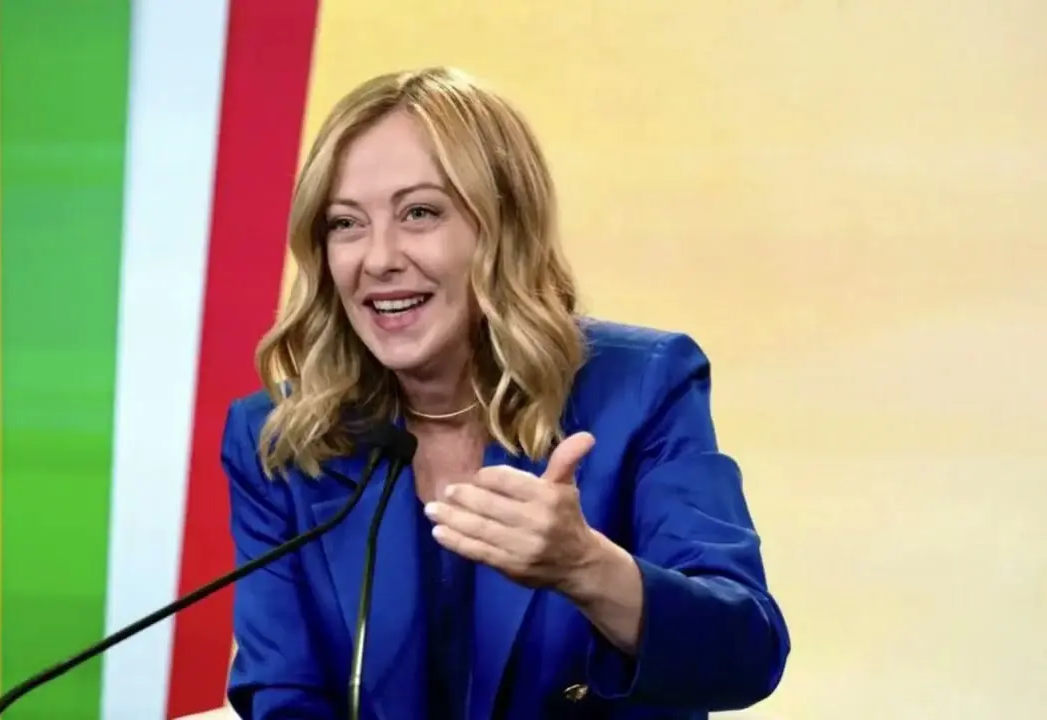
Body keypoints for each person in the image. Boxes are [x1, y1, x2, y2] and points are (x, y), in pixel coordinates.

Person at [222, 66, 790, 720]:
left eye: (419, 213)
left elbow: (748, 651)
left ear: (504, 227)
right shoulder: (279, 439)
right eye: (345, 223)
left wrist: (586, 568)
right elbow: (285, 694)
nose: (378, 258)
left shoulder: (642, 387)